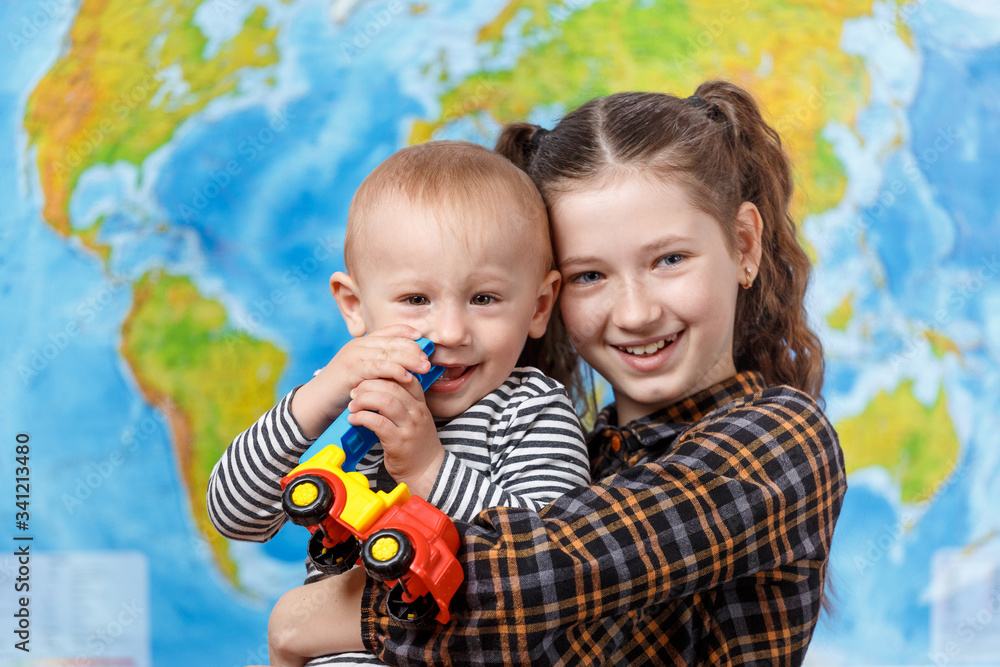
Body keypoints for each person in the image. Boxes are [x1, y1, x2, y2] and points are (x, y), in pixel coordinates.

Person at [302, 80, 847, 666]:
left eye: (669, 260)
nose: (636, 313)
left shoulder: (781, 439)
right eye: (590, 275)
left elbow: (542, 579)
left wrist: (324, 617)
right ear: (544, 297)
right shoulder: (566, 454)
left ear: (744, 245)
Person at [206, 140, 592, 666]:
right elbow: (235, 516)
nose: (451, 330)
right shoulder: (352, 396)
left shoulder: (533, 412)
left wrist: (427, 466)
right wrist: (323, 392)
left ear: (538, 306)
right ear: (355, 306)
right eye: (416, 300)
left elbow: (549, 566)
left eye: (484, 299)